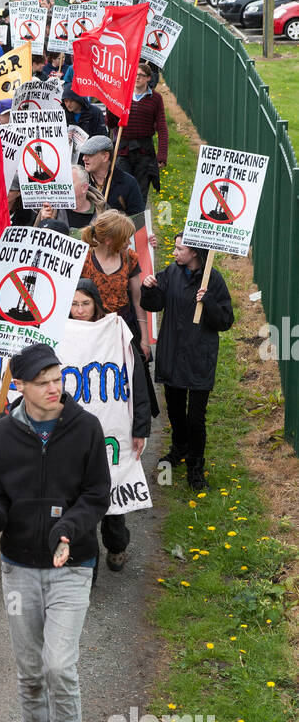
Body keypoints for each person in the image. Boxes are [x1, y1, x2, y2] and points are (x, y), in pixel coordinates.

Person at [0, 344, 110, 722]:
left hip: (73, 565)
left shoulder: (85, 428)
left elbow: (96, 495)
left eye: (58, 379)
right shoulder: (1, 436)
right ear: (20, 387)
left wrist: (68, 529)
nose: (55, 389)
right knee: (30, 673)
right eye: (44, 381)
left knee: (59, 667)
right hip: (20, 568)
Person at [67, 280, 150, 572]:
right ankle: (83, 554)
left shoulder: (115, 331)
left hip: (111, 428)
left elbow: (136, 380)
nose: (79, 311)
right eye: (74, 304)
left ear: (96, 304)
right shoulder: (58, 334)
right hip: (72, 432)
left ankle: (116, 545)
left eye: (85, 304)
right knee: (76, 493)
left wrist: (140, 427)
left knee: (112, 487)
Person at [141, 235, 234, 489]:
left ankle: (196, 465)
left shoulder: (212, 279)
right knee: (175, 411)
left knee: (196, 417)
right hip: (172, 355)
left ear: (194, 252)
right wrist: (149, 287)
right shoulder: (171, 273)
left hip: (199, 358)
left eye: (179, 248)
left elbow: (225, 321)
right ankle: (179, 448)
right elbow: (153, 305)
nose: (174, 252)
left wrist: (209, 301)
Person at [80, 209, 150, 359]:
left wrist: (144, 338)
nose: (129, 243)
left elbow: (138, 300)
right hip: (91, 330)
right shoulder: (82, 259)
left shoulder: (130, 258)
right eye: (125, 239)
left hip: (122, 328)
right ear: (109, 240)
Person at [106, 61, 169, 204]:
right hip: (123, 151)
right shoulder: (123, 95)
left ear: (148, 78)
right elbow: (110, 123)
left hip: (144, 152)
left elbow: (162, 127)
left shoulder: (155, 99)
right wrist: (110, 106)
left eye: (141, 75)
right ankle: (121, 225)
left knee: (140, 193)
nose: (137, 78)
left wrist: (162, 155)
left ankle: (138, 224)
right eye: (135, 74)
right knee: (121, 190)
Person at [79, 134, 144, 216]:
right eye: (84, 154)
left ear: (105, 157)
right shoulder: (79, 181)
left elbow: (138, 218)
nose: (84, 158)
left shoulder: (128, 183)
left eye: (90, 154)